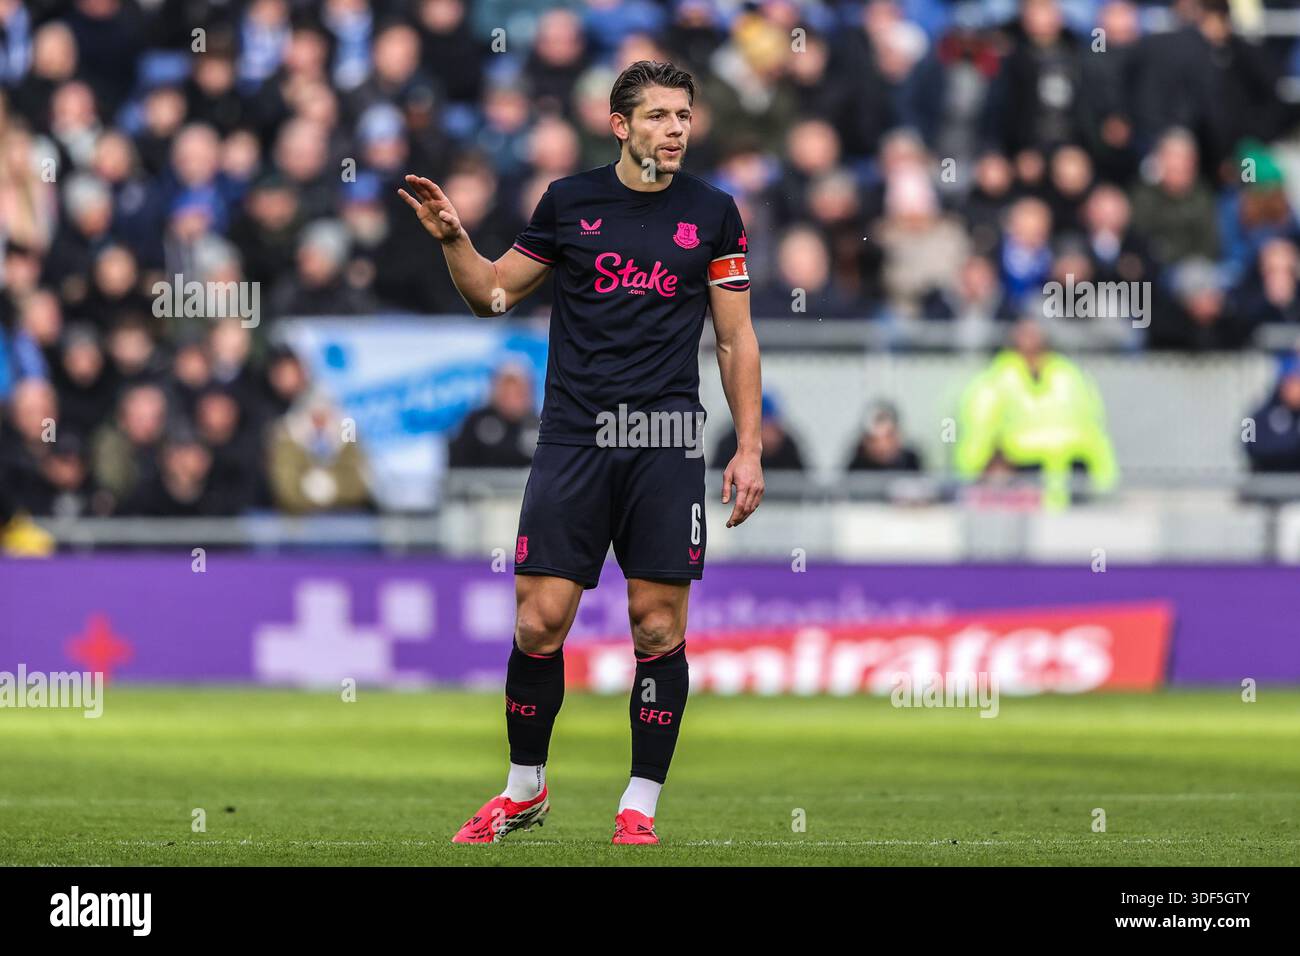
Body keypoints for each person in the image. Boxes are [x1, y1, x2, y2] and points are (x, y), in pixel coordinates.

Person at [400, 60, 764, 846]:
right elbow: (491, 295)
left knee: (657, 626)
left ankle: (639, 804)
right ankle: (523, 789)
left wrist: (750, 446)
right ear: (620, 125)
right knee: (539, 621)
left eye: (683, 115)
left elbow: (735, 338)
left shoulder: (715, 215)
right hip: (574, 436)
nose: (675, 128)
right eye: (660, 115)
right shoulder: (569, 203)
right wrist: (455, 240)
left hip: (665, 439)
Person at [954, 319, 1118, 509]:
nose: (1030, 341)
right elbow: (979, 428)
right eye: (1025, 334)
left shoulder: (1070, 375)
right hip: (1021, 475)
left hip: (1074, 474)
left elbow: (1094, 428)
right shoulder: (996, 378)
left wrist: (1104, 478)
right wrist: (976, 470)